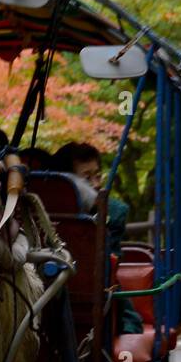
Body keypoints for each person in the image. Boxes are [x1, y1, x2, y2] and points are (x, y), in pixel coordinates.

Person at [53, 141, 143, 336]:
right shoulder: (45, 212)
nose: (96, 184)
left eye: (98, 175)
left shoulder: (112, 212)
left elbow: (109, 266)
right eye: (86, 178)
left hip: (98, 288)